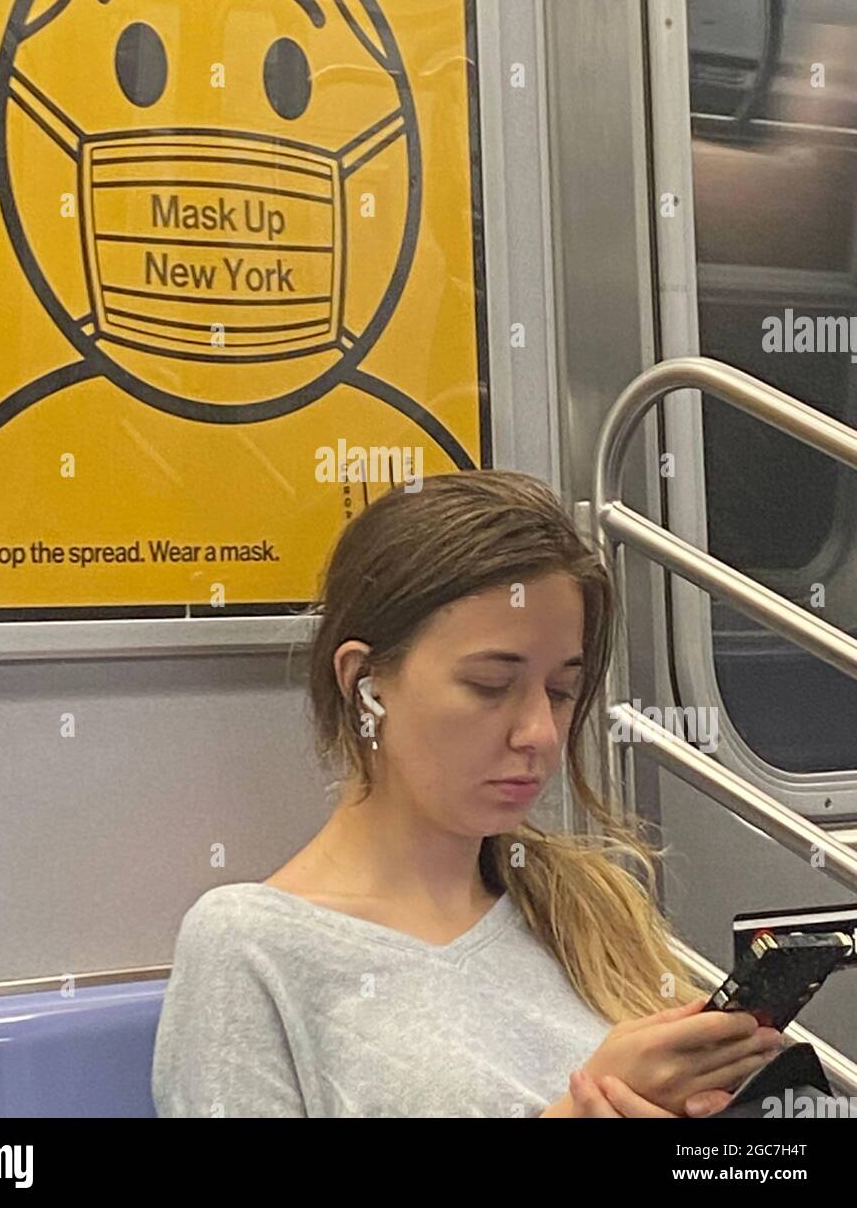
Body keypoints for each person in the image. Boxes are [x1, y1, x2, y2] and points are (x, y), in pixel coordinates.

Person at [152, 470, 782, 1117]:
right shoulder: (250, 946)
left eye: (561, 691)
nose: (538, 732)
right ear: (366, 687)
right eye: (488, 684)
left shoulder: (587, 905)